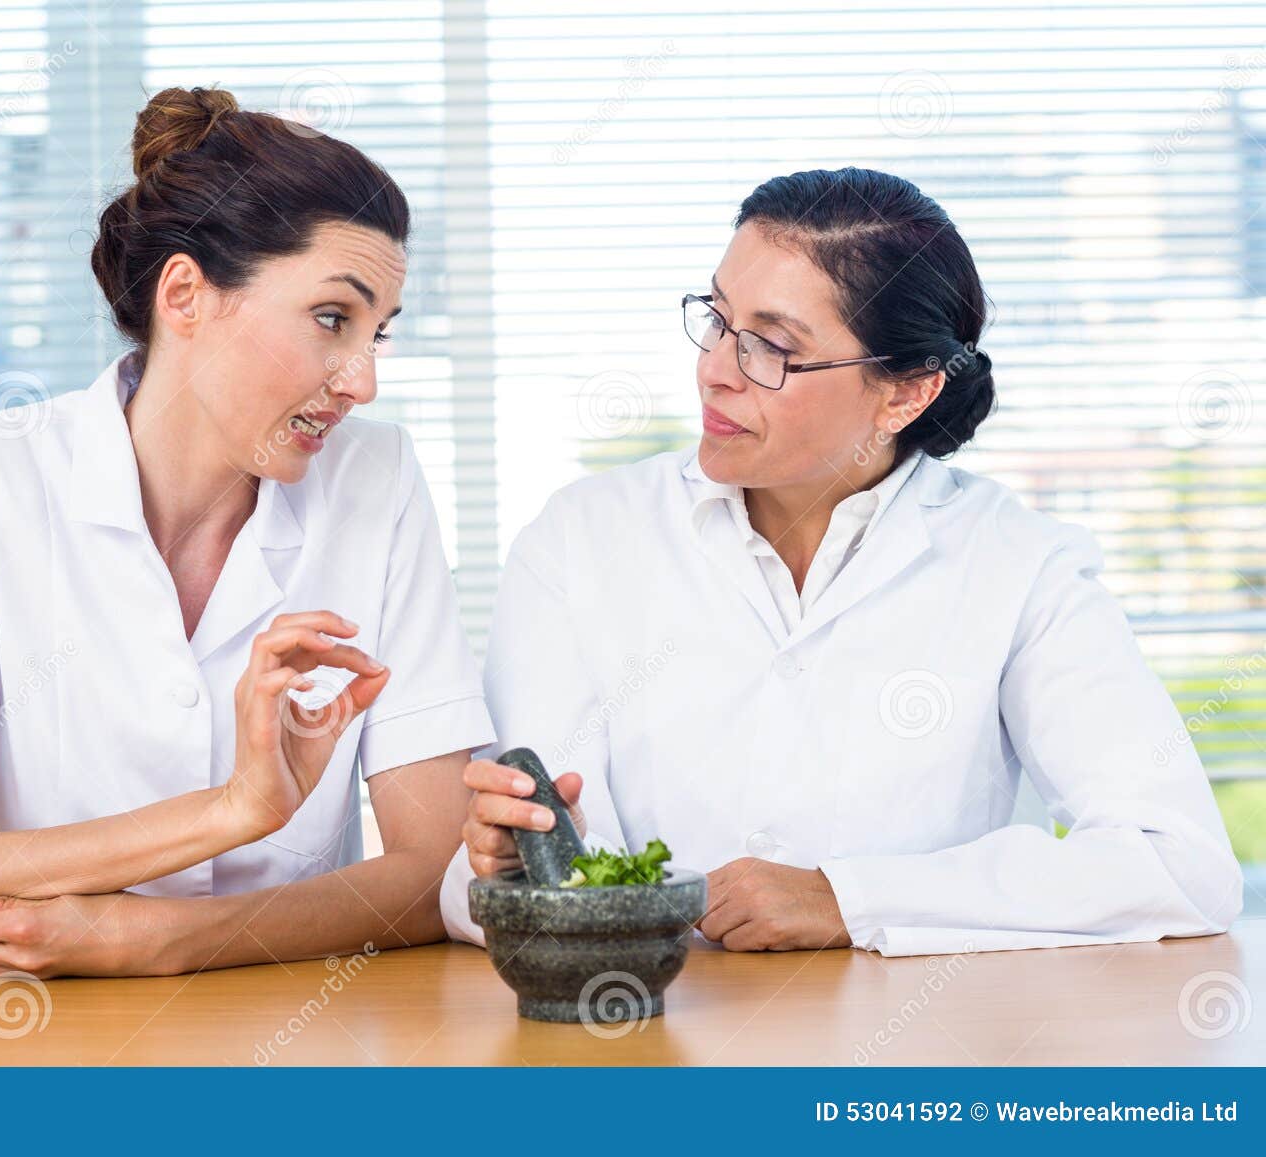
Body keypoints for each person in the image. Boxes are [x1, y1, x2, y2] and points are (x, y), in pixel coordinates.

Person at [443, 167, 1243, 957]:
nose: (716, 368)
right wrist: (507, 864)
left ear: (905, 395)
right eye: (717, 320)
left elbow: (1178, 862)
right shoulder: (579, 542)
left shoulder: (1019, 564)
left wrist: (847, 897)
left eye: (772, 346)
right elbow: (492, 873)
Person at [0, 86, 493, 977]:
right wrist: (231, 809)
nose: (362, 382)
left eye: (380, 334)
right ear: (185, 294)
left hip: (285, 1036)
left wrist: (158, 939)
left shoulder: (374, 481)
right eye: (334, 319)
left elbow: (436, 871)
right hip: (21, 1042)